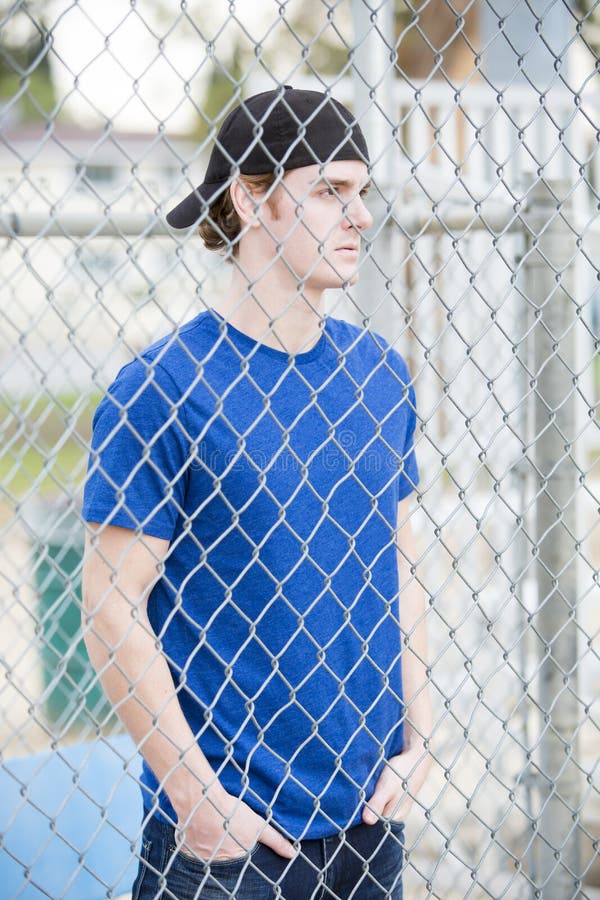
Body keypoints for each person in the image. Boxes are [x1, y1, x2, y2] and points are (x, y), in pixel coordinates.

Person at [81, 85, 432, 900]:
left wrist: (419, 737)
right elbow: (110, 606)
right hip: (232, 841)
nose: (361, 218)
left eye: (362, 193)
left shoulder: (380, 374)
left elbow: (400, 561)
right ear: (250, 199)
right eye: (328, 191)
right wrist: (197, 800)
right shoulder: (166, 387)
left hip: (370, 819)